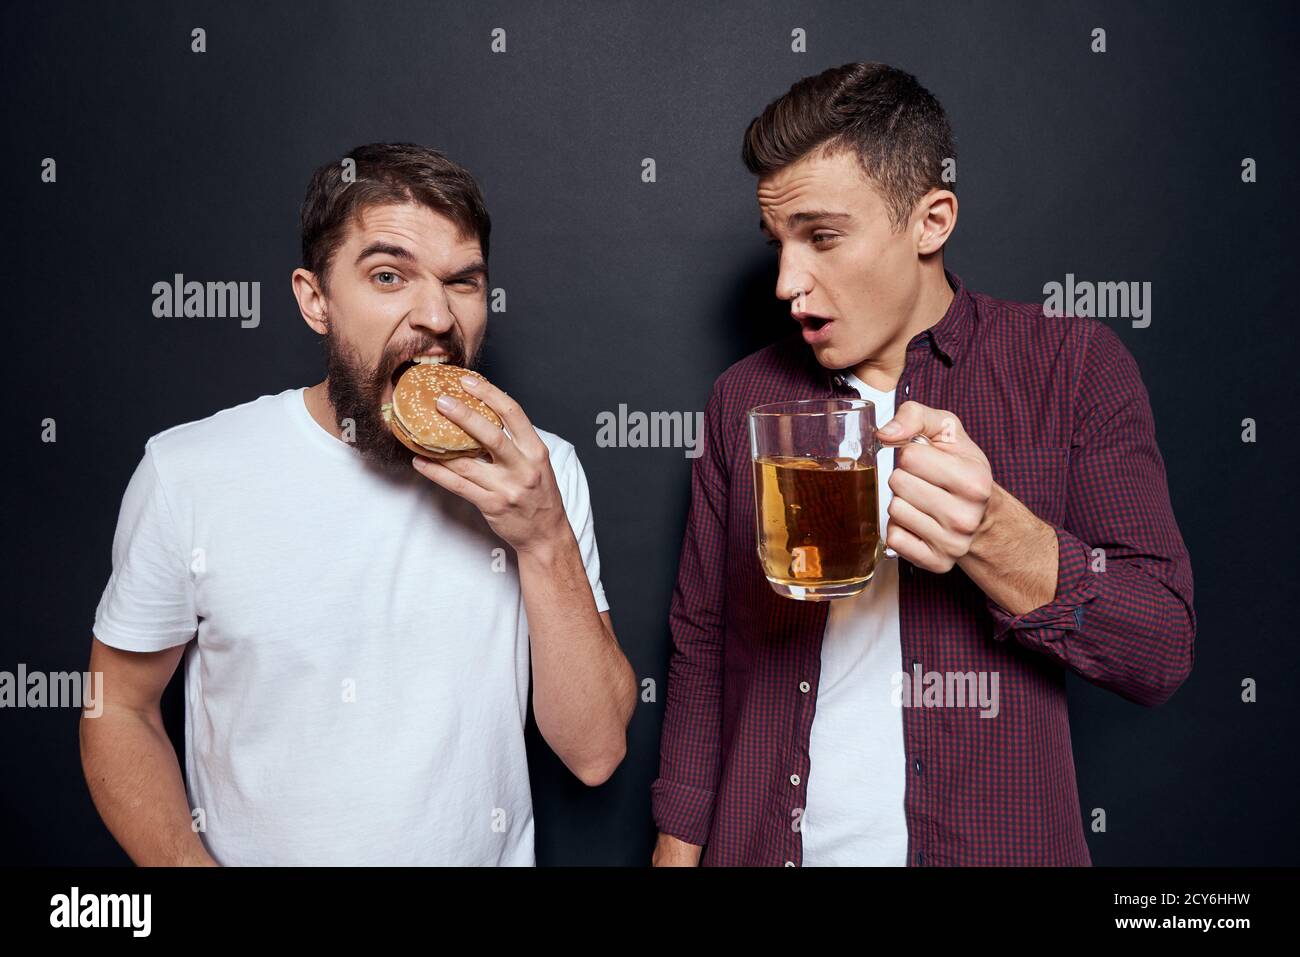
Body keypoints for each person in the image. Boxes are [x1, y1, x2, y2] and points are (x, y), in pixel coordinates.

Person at [652, 63, 1195, 866]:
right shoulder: (744, 400)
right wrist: (675, 851)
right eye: (779, 243)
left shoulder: (1072, 367)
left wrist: (1000, 539)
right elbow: (703, 643)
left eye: (823, 236)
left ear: (931, 220)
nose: (787, 283)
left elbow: (1161, 650)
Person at [82, 142, 636, 866]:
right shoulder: (188, 471)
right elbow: (116, 707)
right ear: (316, 298)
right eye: (388, 275)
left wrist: (541, 537)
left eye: (462, 282)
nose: (436, 315)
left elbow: (595, 751)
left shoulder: (538, 470)